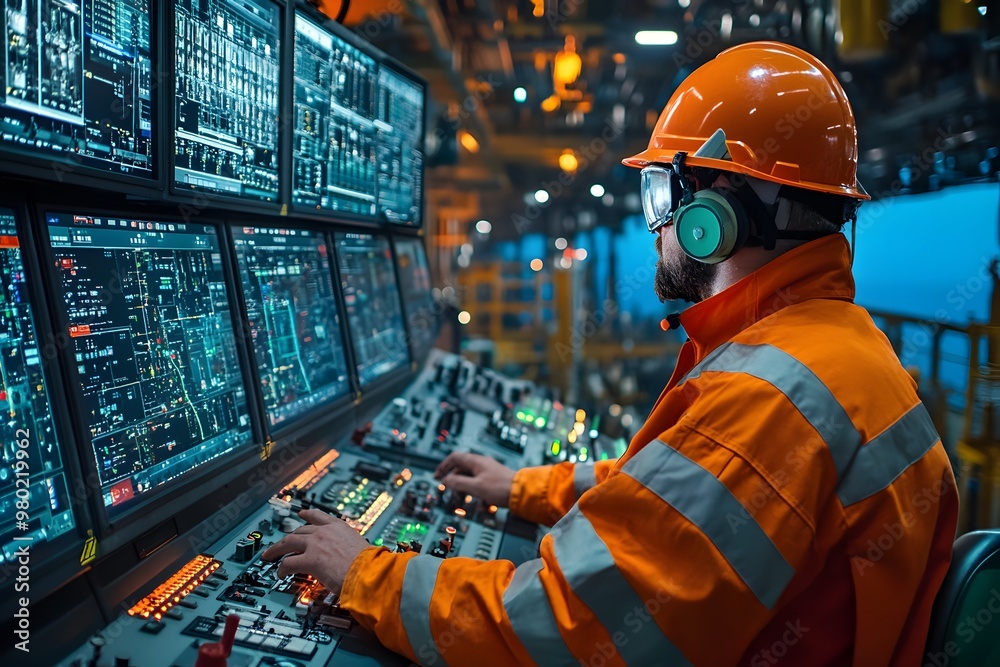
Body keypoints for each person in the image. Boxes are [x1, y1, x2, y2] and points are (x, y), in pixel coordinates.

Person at [262, 41, 958, 665]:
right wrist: (524, 488)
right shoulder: (835, 349)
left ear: (713, 214)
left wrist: (367, 572)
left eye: (662, 191)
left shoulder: (768, 399)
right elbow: (667, 502)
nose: (656, 223)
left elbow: (571, 632)